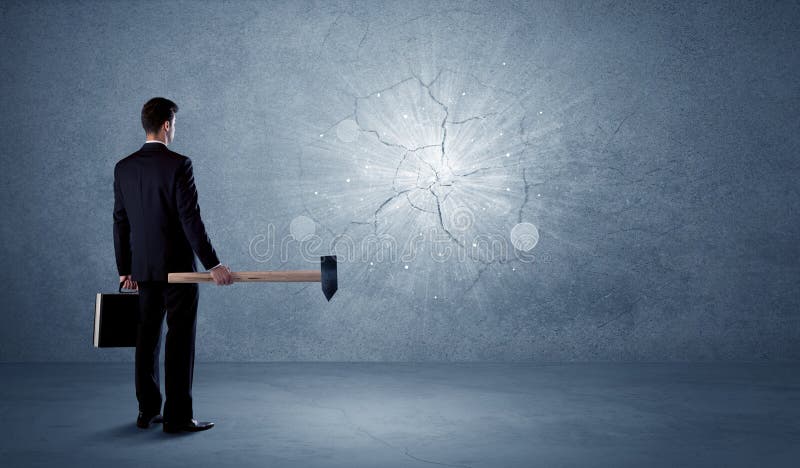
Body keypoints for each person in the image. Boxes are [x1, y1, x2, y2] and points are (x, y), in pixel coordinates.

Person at [113, 97, 233, 433]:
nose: (174, 129)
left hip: (142, 268)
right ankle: (178, 417)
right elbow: (190, 220)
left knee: (146, 338)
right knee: (179, 339)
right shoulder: (179, 164)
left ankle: (147, 411)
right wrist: (214, 264)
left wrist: (125, 268)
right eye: (174, 124)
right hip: (179, 269)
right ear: (167, 124)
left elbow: (119, 222)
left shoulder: (123, 167)